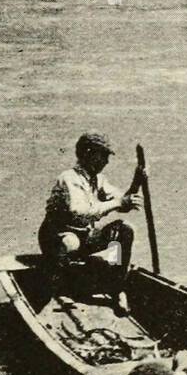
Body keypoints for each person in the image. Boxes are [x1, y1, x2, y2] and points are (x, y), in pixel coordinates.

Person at [38, 132, 141, 311]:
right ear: (87, 153)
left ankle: (117, 288)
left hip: (85, 235)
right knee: (70, 243)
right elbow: (80, 213)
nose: (106, 162)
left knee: (125, 231)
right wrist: (119, 203)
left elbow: (122, 203)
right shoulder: (69, 178)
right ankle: (60, 285)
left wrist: (137, 181)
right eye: (103, 156)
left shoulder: (98, 179)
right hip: (59, 236)